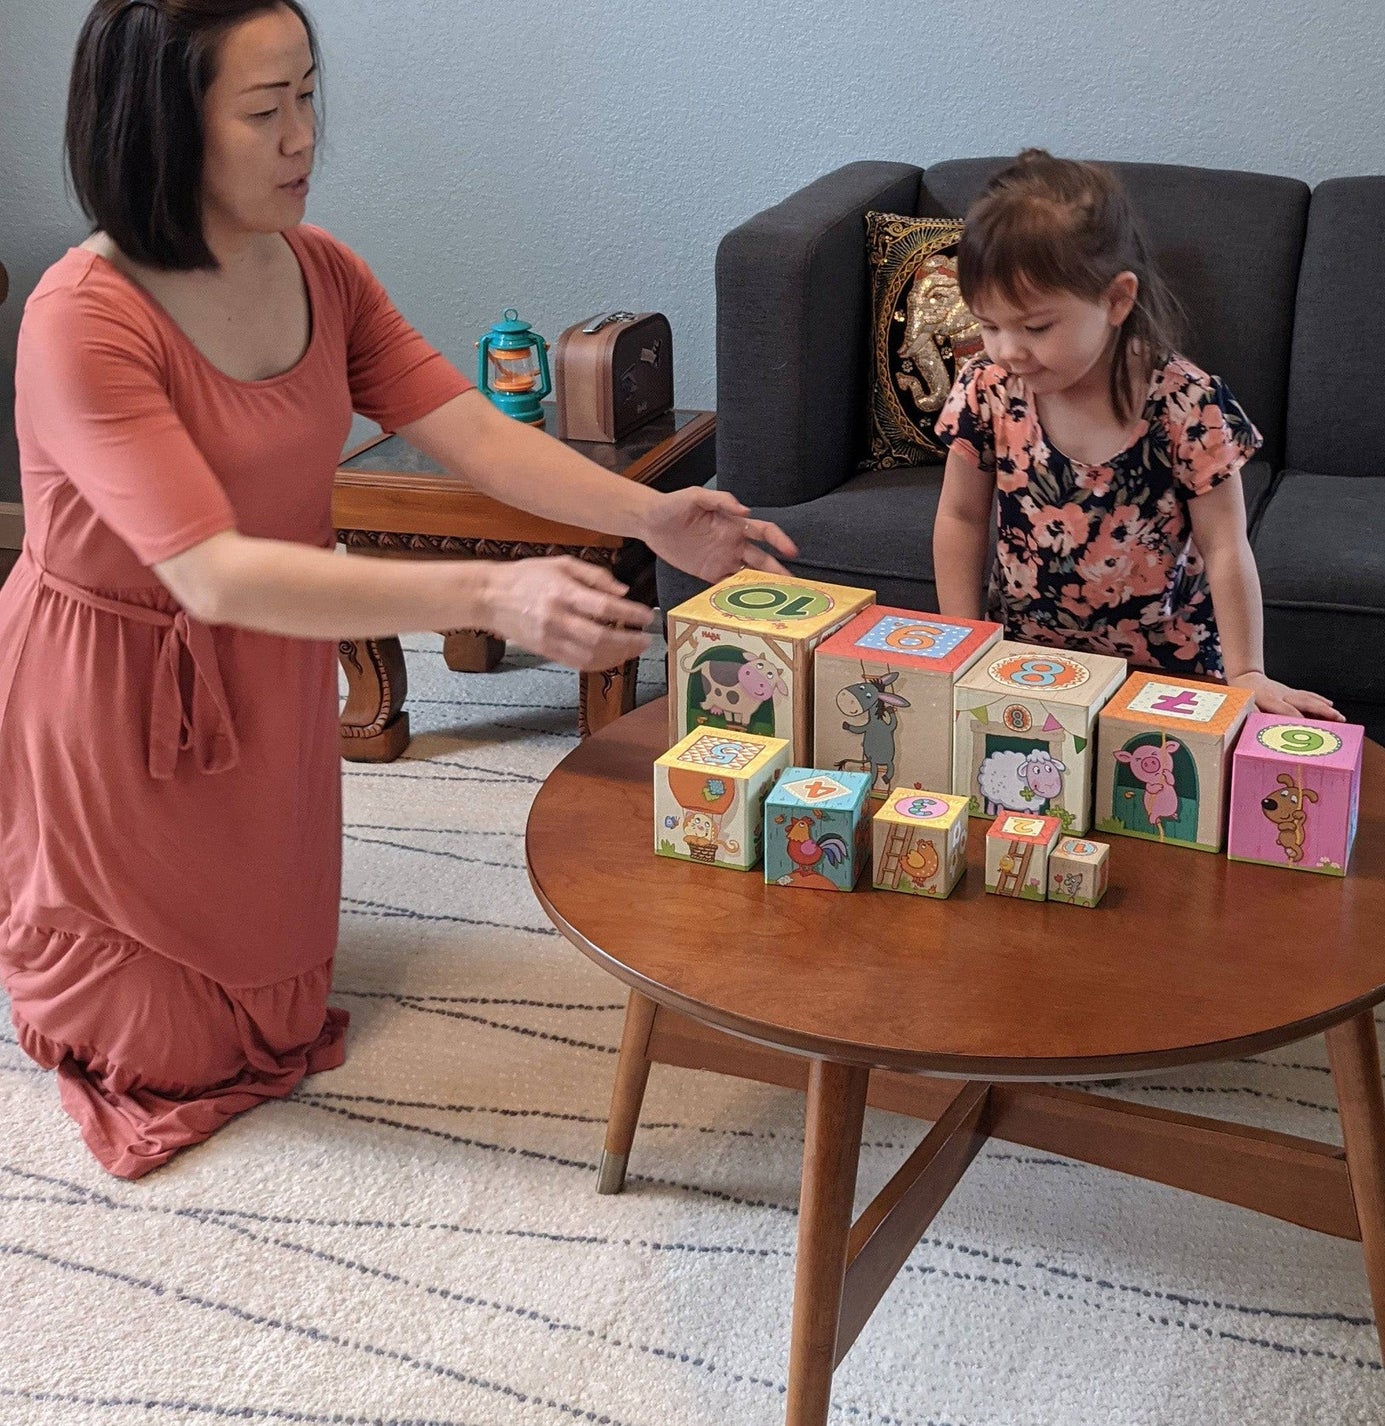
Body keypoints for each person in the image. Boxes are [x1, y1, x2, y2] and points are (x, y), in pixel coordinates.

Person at [0, 0, 795, 1179]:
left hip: (271, 657)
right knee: (168, 1051)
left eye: (309, 96)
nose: (303, 138)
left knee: (278, 1008)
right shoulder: (81, 320)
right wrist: (484, 597)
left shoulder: (321, 271)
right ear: (162, 127)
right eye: (265, 111)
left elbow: (468, 428)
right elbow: (208, 571)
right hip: (120, 681)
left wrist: (649, 513)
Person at [933, 148, 1339, 720]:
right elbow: (961, 517)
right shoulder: (988, 388)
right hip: (1026, 666)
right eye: (989, 324)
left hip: (1169, 677)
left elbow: (1226, 547)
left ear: (1117, 298)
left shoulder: (1187, 403)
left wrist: (1249, 672)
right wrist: (965, 640)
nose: (1008, 350)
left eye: (1036, 325)